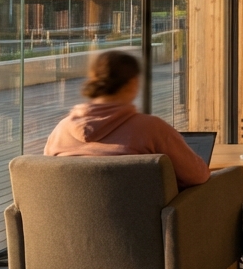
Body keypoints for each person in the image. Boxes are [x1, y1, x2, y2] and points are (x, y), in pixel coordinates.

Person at [44, 50, 210, 189]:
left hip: (69, 226)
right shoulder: (151, 129)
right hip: (144, 227)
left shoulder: (60, 130)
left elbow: (47, 182)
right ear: (132, 84)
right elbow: (197, 175)